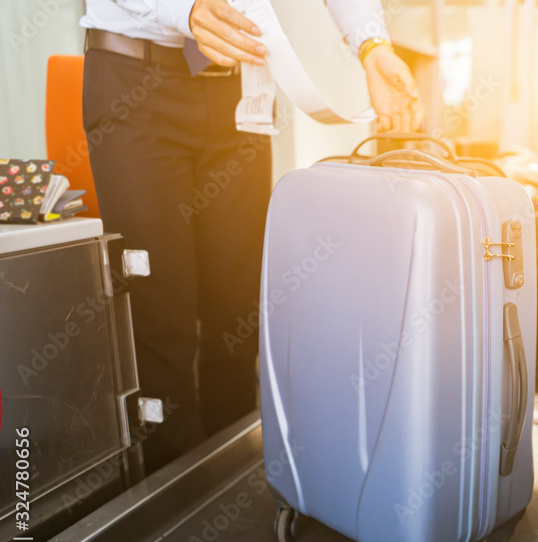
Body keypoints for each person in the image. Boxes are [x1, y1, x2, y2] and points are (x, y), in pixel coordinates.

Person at [80, 0, 424, 472]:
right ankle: (174, 487)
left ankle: (236, 474)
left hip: (240, 88)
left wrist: (371, 44)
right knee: (160, 312)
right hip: (135, 81)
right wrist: (188, 9)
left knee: (237, 307)